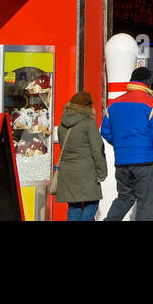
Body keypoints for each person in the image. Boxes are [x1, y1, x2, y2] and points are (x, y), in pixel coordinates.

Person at [100, 66, 153, 221]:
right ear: (148, 83)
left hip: (122, 163)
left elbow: (105, 131)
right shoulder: (151, 103)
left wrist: (121, 144)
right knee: (146, 204)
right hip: (145, 163)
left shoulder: (114, 104)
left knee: (124, 198)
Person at [55, 91, 107, 221]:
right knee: (92, 203)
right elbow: (97, 150)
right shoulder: (88, 123)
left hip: (67, 171)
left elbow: (64, 148)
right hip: (86, 171)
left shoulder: (62, 125)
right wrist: (102, 171)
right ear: (88, 106)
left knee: (74, 206)